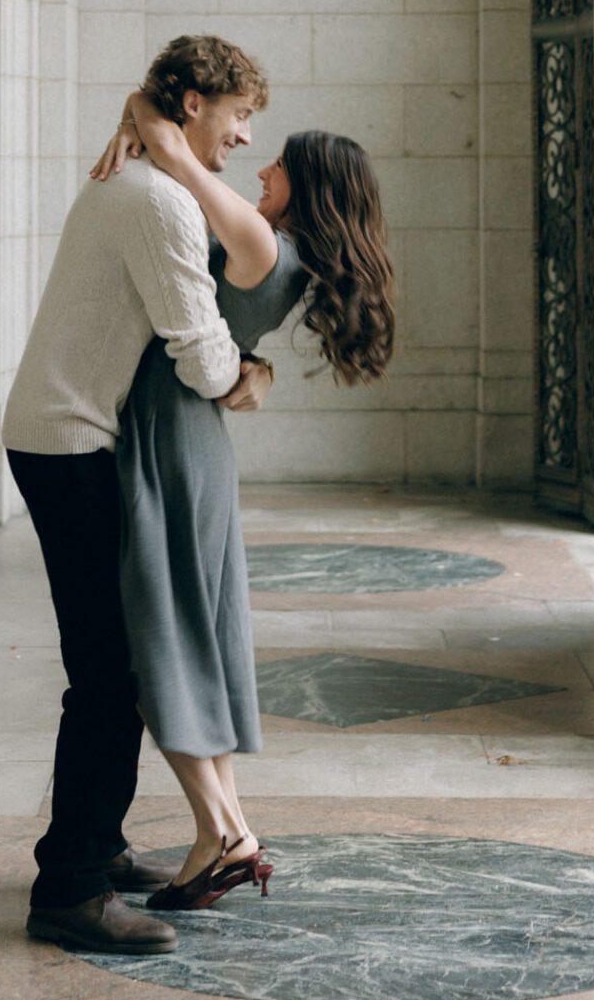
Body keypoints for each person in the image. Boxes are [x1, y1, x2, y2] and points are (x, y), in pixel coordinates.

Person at [91, 76, 395, 913]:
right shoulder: (281, 252)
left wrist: (138, 123)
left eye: (281, 167)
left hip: (171, 440)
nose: (261, 168)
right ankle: (218, 834)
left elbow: (179, 157)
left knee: (160, 644)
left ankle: (228, 835)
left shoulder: (262, 244)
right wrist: (139, 132)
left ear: (310, 190)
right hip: (189, 440)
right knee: (185, 636)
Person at [1, 34, 273, 956]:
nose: (241, 139)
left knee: (107, 667)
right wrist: (249, 377)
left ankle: (101, 850)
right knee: (108, 677)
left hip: (63, 435)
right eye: (237, 117)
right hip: (70, 444)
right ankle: (68, 889)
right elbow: (197, 351)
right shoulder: (157, 199)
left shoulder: (141, 179)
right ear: (193, 104)